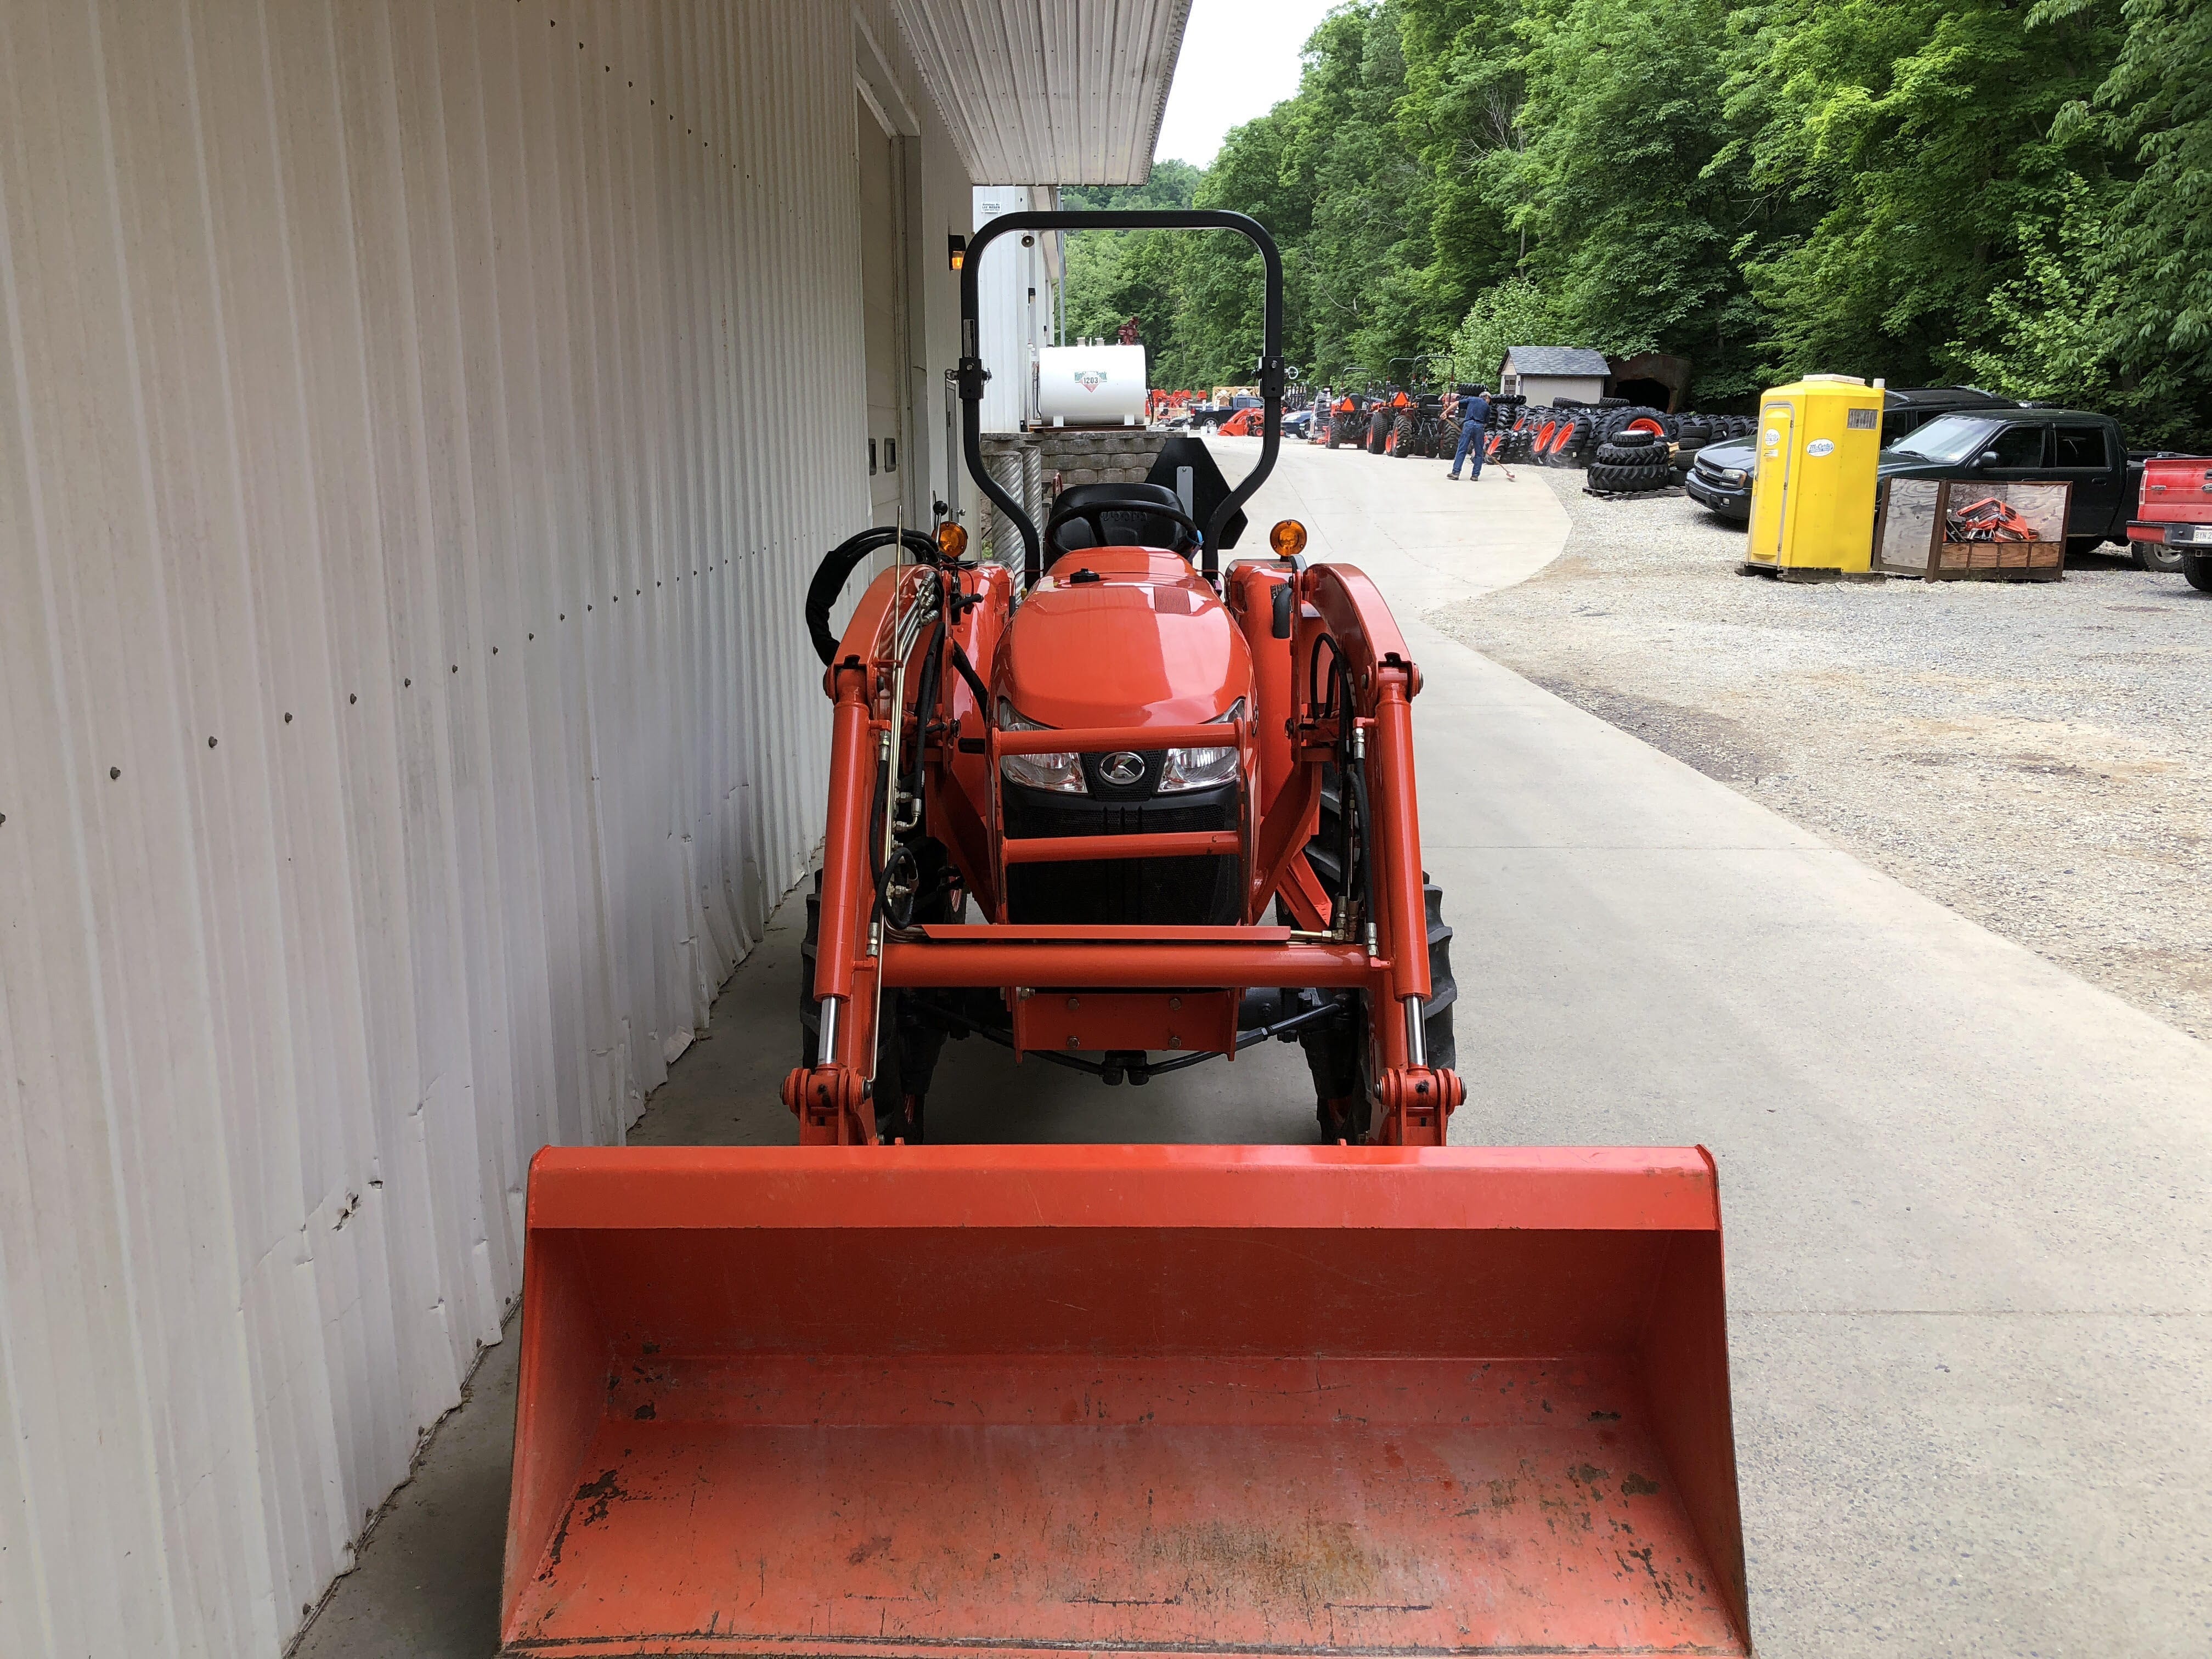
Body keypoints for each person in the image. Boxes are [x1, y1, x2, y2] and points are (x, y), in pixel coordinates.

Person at [1447, 382, 1491, 479]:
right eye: (1489, 399)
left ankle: (1456, 473)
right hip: (1479, 427)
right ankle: (1475, 476)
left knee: (1462, 449)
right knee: (1479, 452)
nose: (1489, 401)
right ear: (1487, 397)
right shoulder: (1487, 407)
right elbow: (1486, 423)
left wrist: (1445, 413)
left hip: (1468, 425)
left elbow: (1455, 403)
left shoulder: (1472, 399)